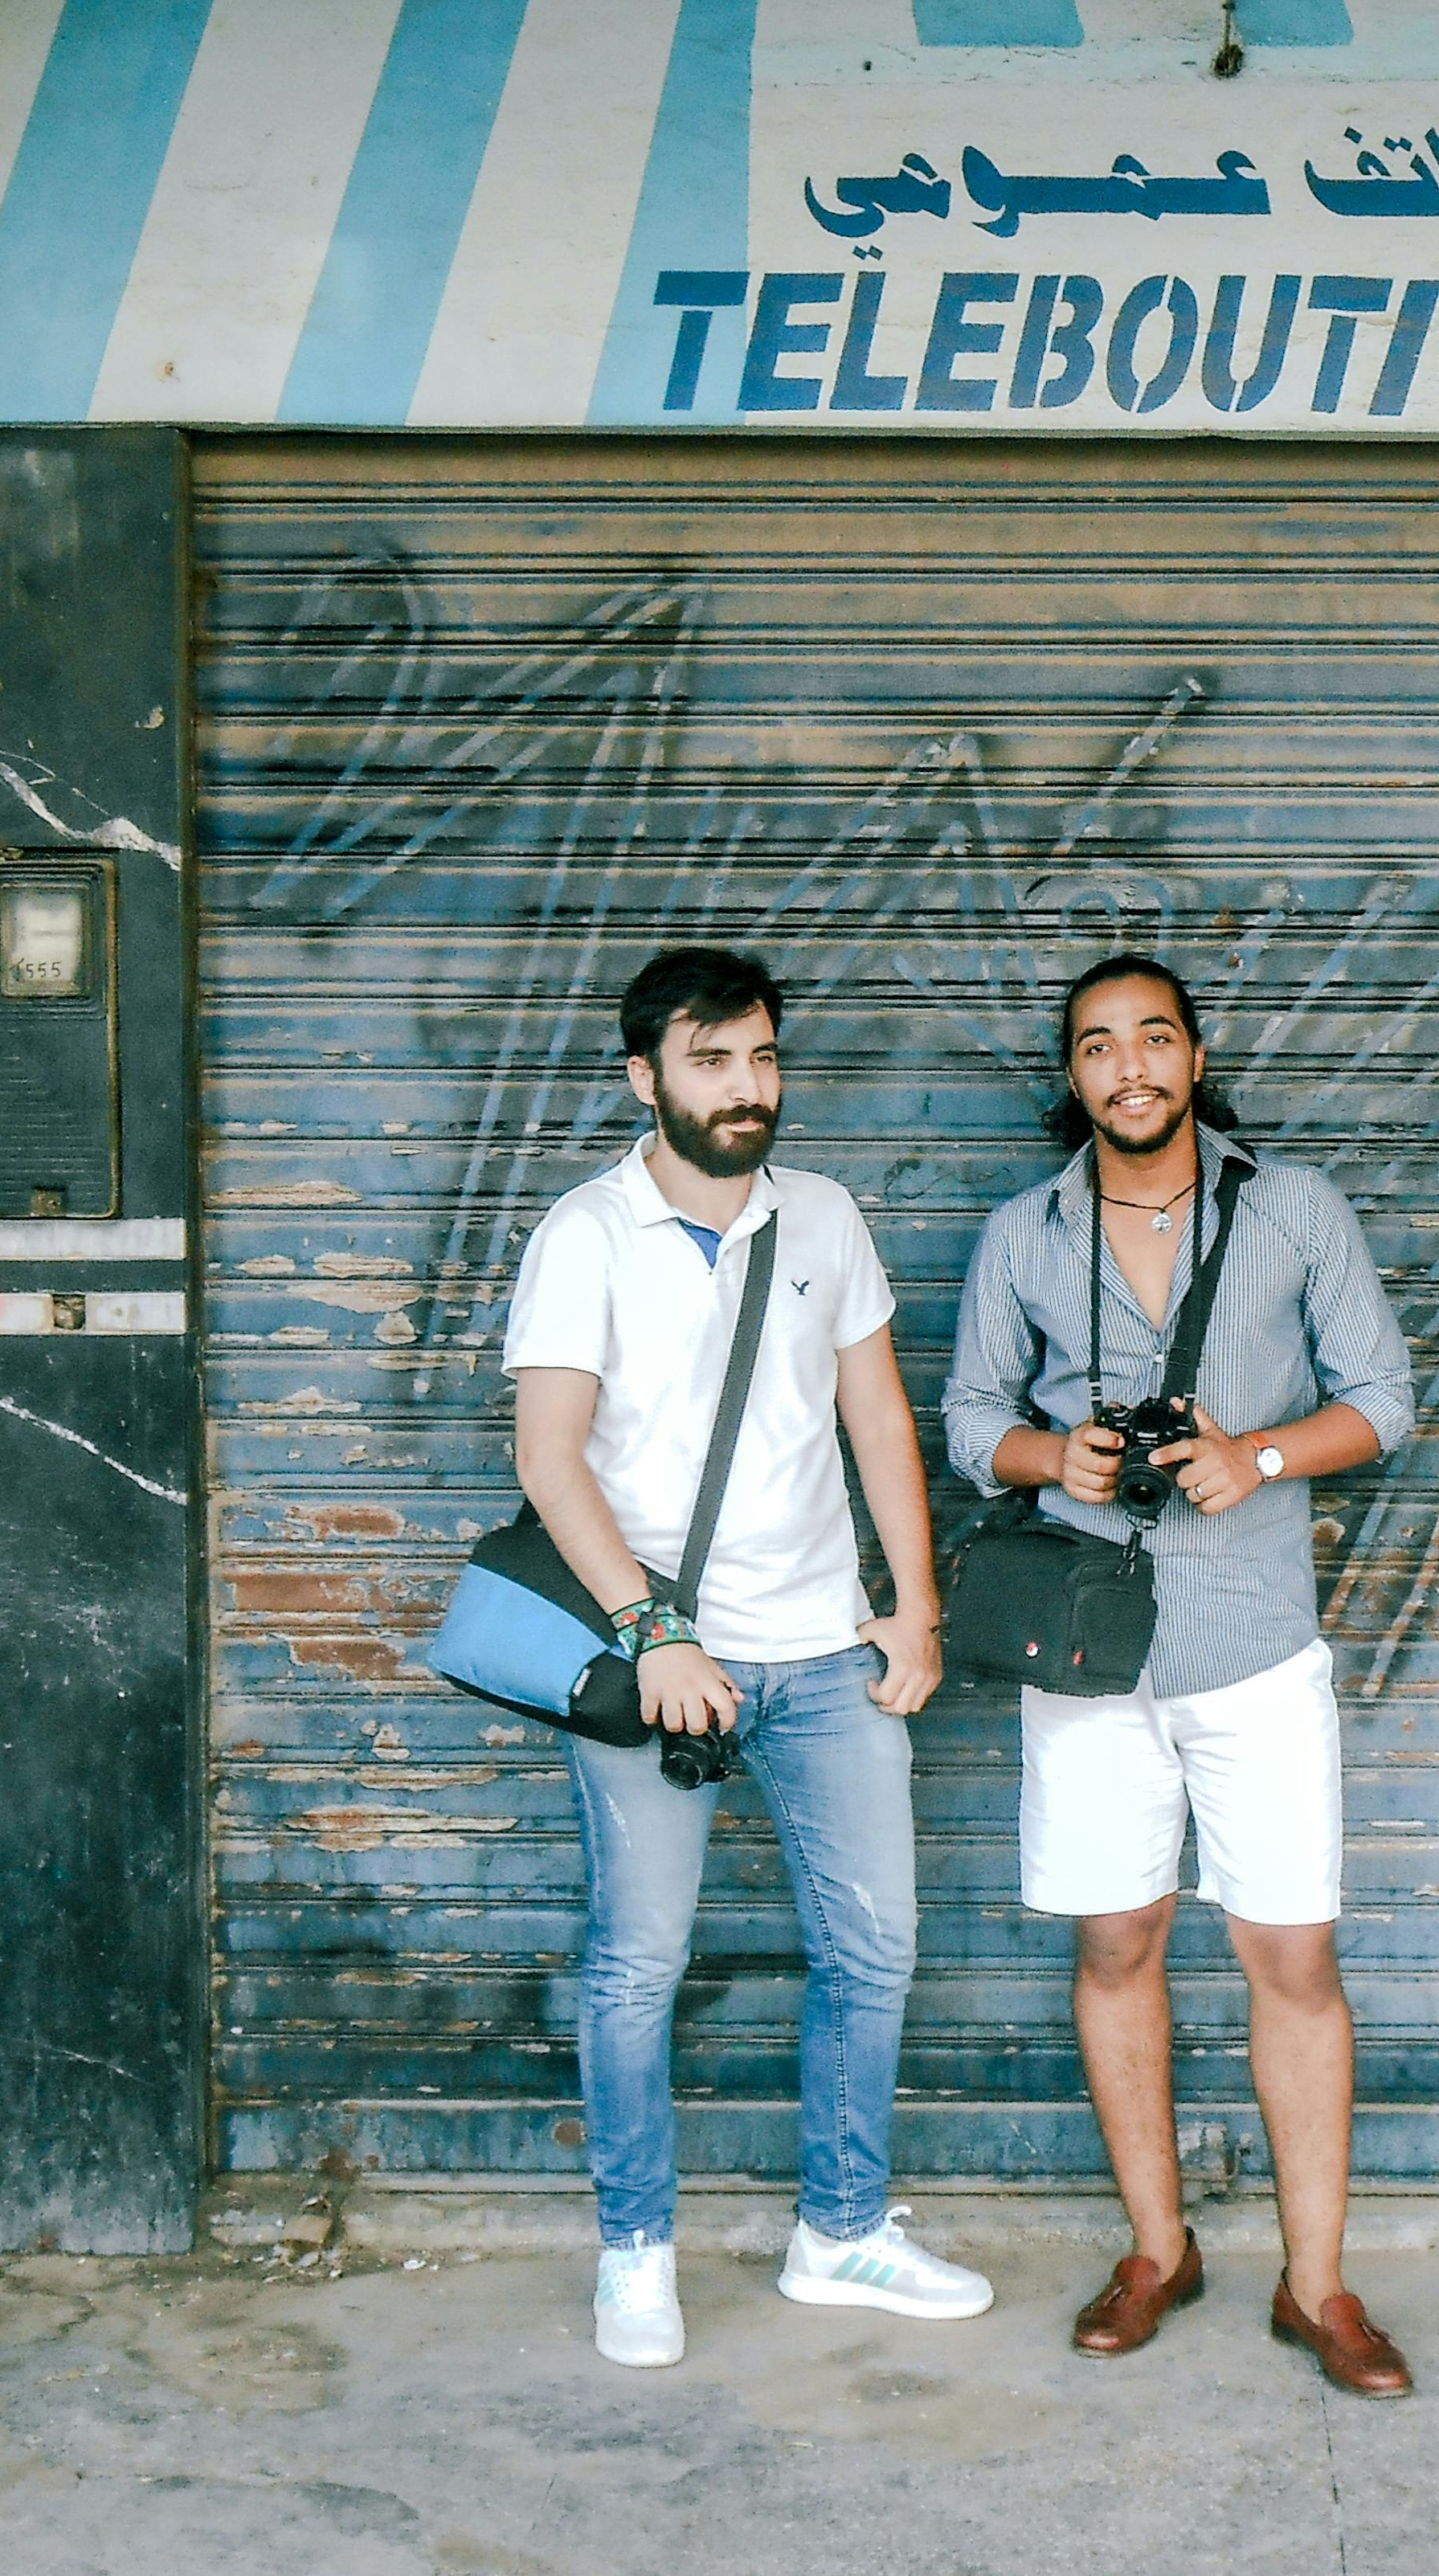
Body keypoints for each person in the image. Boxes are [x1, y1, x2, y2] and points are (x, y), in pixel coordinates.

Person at [942, 953, 1421, 2396]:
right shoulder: (1023, 1232)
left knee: (1293, 1956)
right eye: (1098, 1045)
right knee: (1115, 1945)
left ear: (1196, 1057)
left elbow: (1385, 1399)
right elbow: (968, 1414)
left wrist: (1253, 1454)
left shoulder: (1290, 1209)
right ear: (1072, 1075)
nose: (1129, 1066)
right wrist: (1052, 1455)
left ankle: (1318, 2283)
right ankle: (1158, 2249)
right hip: (1086, 1654)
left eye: (1154, 1037)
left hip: (1256, 1644)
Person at [505, 945, 989, 2369]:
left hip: (828, 1655)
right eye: (712, 1061)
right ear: (643, 1076)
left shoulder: (822, 1219)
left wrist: (911, 1607)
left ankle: (840, 2231)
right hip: (656, 1661)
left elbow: (880, 1422)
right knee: (639, 1959)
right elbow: (549, 1456)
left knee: (875, 1944)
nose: (745, 1087)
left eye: (763, 1057)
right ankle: (635, 2253)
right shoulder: (584, 1233)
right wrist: (652, 1627)